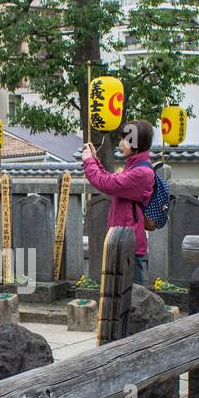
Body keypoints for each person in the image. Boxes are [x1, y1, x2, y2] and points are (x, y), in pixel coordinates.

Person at [81, 119, 156, 285]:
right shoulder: (135, 167)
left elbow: (106, 184)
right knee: (122, 295)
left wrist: (88, 162)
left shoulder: (141, 173)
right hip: (123, 238)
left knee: (133, 297)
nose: (121, 143)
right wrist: (94, 159)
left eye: (125, 140)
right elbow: (109, 180)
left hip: (129, 241)